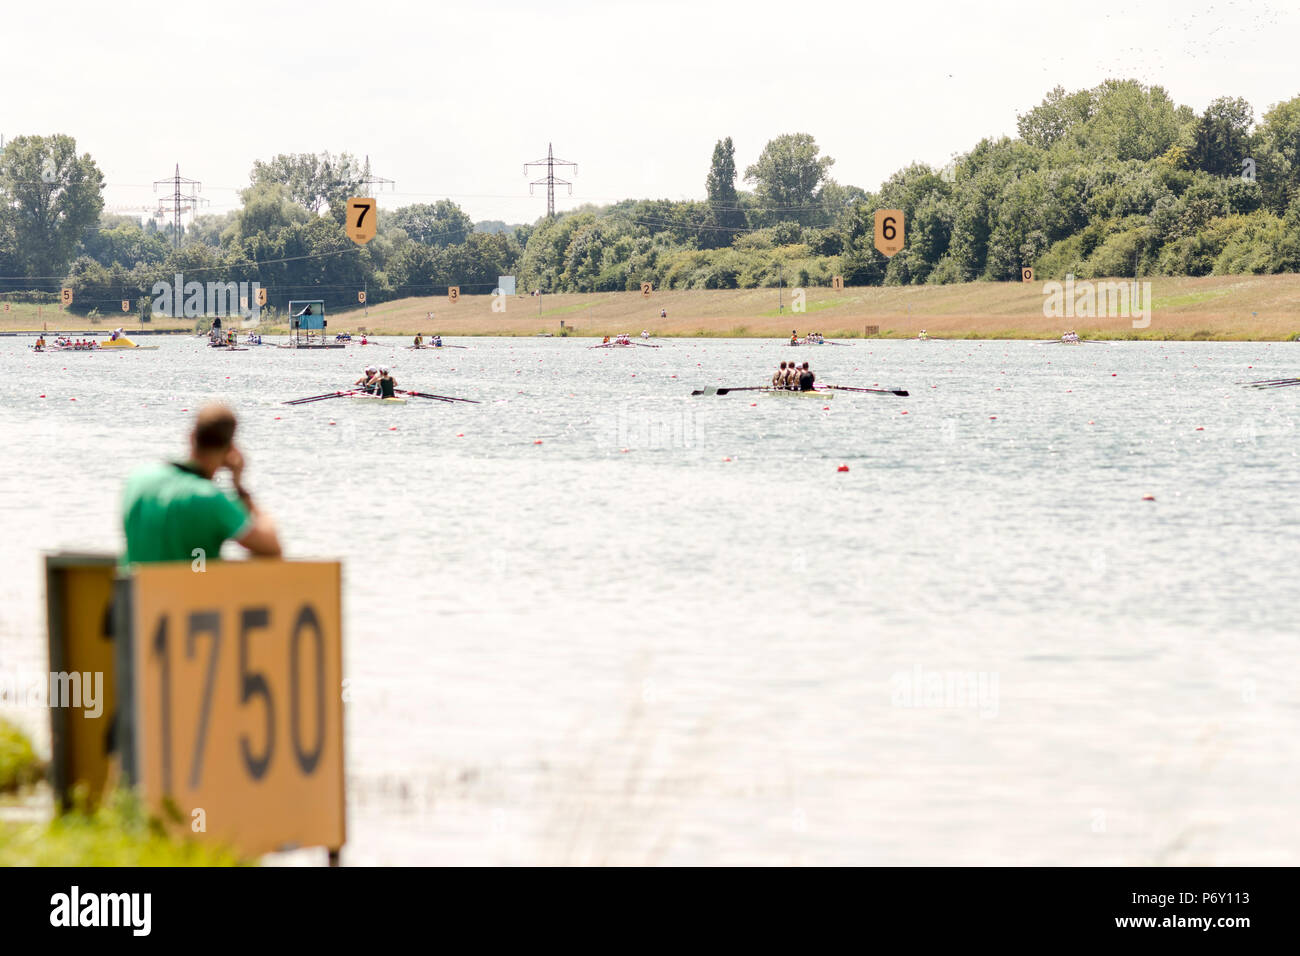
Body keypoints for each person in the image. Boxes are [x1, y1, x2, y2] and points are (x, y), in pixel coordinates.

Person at [121, 404, 281, 565]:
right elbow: (272, 547)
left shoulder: (139, 478)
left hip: (131, 588)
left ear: (191, 436)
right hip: (184, 589)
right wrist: (239, 487)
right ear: (230, 450)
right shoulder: (211, 499)